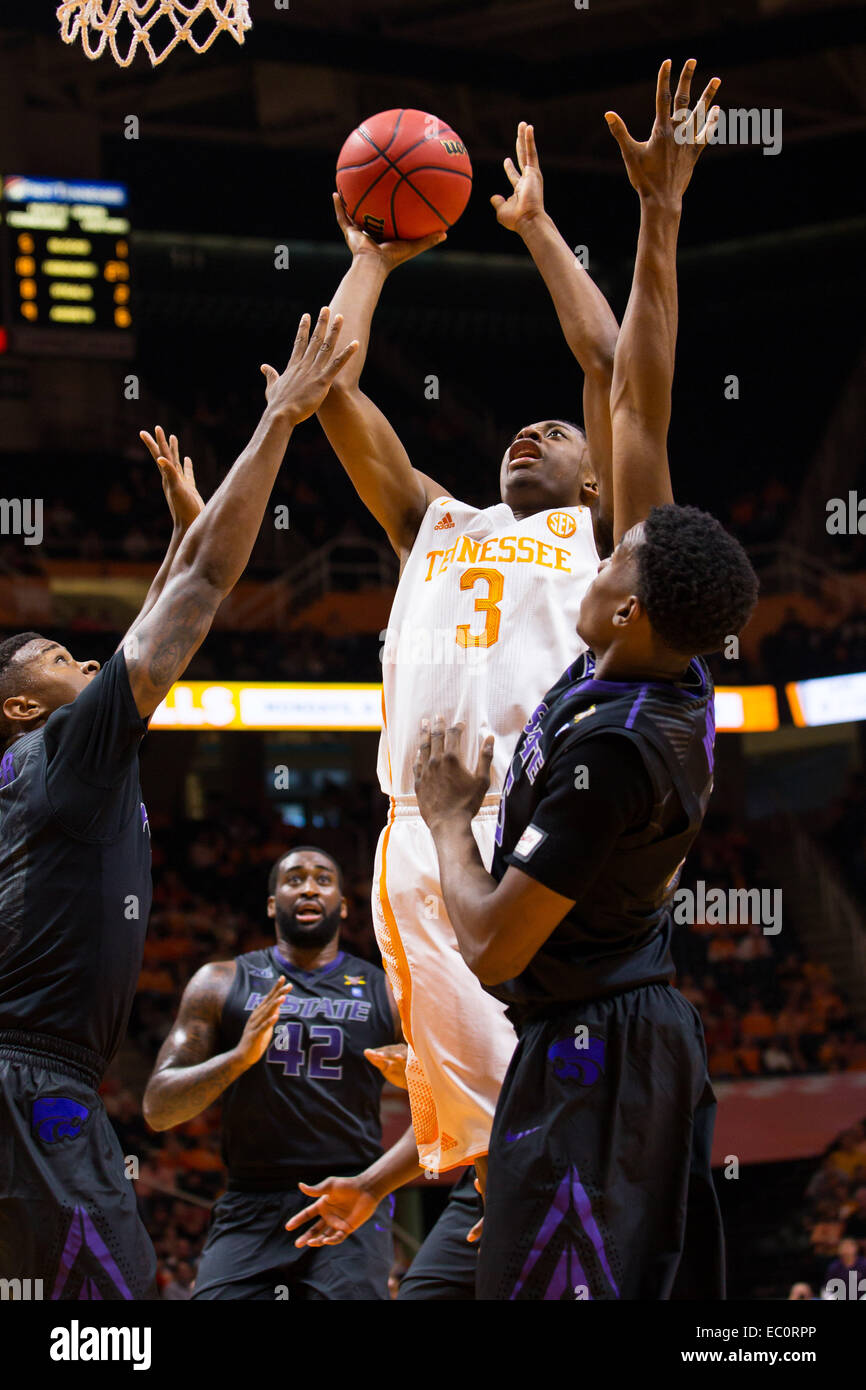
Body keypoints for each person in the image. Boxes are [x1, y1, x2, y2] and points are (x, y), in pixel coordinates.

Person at [413, 61, 759, 1299]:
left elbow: (500, 947)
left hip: (593, 1048)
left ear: (626, 601)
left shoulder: (617, 744)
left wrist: (452, 821)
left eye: (611, 547)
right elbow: (633, 387)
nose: (603, 538)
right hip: (609, 1030)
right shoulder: (652, 656)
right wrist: (649, 218)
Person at [0, 309, 359, 1299]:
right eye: (49, 655)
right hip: (35, 1083)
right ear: (19, 705)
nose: (78, 653)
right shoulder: (64, 747)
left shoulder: (50, 760)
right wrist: (281, 417)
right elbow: (199, 591)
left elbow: (162, 605)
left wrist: (181, 528)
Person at [319, 115, 625, 1189]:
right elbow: (329, 391)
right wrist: (367, 262)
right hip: (415, 823)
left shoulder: (597, 533)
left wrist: (536, 229)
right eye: (521, 428)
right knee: (495, 1148)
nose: (529, 435)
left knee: (550, 1098)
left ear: (595, 476)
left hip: (530, 816)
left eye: (558, 433)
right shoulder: (433, 519)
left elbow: (607, 360)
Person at [143, 847, 419, 1300]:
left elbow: (445, 1104)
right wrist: (237, 1059)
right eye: (294, 879)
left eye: (323, 879)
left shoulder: (389, 991)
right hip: (249, 1203)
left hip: (348, 1199)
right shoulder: (219, 981)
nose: (309, 887)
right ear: (272, 903)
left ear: (344, 905)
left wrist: (413, 1080)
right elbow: (158, 1108)